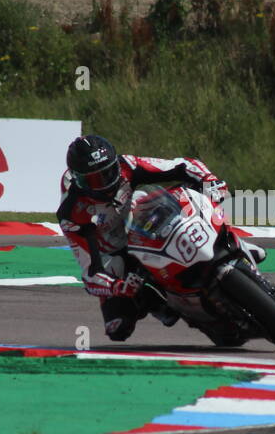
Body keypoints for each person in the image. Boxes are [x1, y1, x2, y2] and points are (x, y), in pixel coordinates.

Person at [57, 134, 263, 342]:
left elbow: (184, 165)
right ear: (78, 179)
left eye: (108, 172)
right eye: (92, 180)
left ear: (115, 164)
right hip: (116, 249)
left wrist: (212, 182)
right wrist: (117, 286)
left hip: (145, 221)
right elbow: (90, 273)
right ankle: (158, 302)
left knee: (192, 200)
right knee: (117, 328)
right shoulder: (71, 212)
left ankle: (231, 242)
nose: (104, 184)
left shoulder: (128, 165)